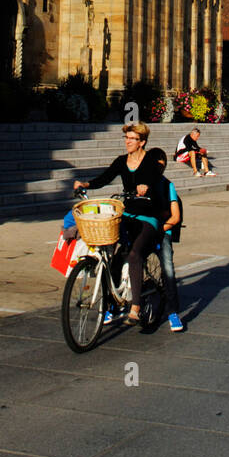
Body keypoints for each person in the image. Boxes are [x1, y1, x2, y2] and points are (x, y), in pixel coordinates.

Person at [73, 122, 164, 326]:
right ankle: (112, 304)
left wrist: (145, 186)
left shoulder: (150, 161)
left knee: (134, 255)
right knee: (111, 254)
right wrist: (86, 184)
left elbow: (155, 175)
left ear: (142, 142)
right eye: (126, 138)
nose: (128, 142)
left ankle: (136, 307)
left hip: (148, 216)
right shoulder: (122, 161)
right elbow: (105, 178)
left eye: (132, 139)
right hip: (128, 214)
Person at [152, 153, 184, 332]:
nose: (158, 169)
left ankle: (172, 311)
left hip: (163, 230)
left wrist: (160, 228)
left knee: (168, 268)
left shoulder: (167, 185)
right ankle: (111, 306)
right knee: (122, 256)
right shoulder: (140, 183)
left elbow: (176, 217)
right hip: (145, 229)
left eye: (161, 166)